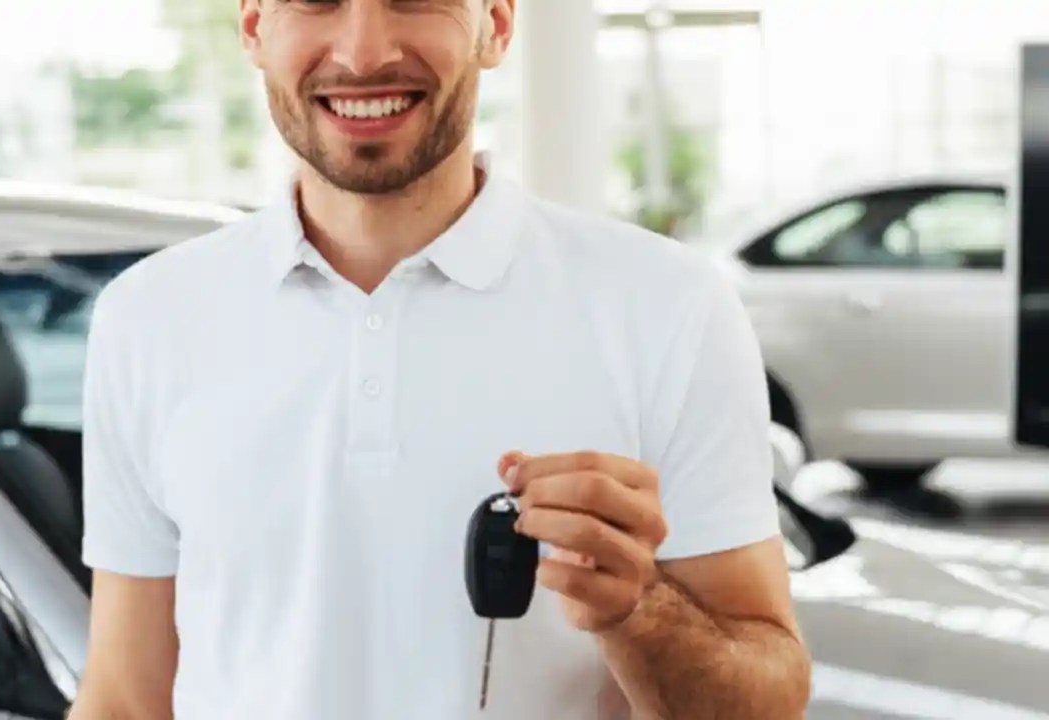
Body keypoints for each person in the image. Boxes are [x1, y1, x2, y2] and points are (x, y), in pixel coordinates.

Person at [69, 1, 812, 718]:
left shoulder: (668, 306)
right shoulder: (148, 319)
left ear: (495, 24)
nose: (364, 53)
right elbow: (126, 703)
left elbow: (766, 703)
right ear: (256, 26)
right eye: (317, 2)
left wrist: (637, 609)